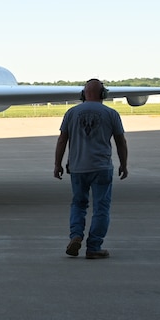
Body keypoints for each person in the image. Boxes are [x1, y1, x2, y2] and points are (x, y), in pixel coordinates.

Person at [53, 78, 128, 259]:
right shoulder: (111, 113)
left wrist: (58, 164)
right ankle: (94, 247)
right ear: (103, 94)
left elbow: (62, 140)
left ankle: (76, 235)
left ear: (83, 94)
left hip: (78, 168)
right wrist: (124, 164)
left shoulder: (71, 113)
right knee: (101, 207)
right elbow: (120, 141)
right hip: (102, 167)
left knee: (78, 205)